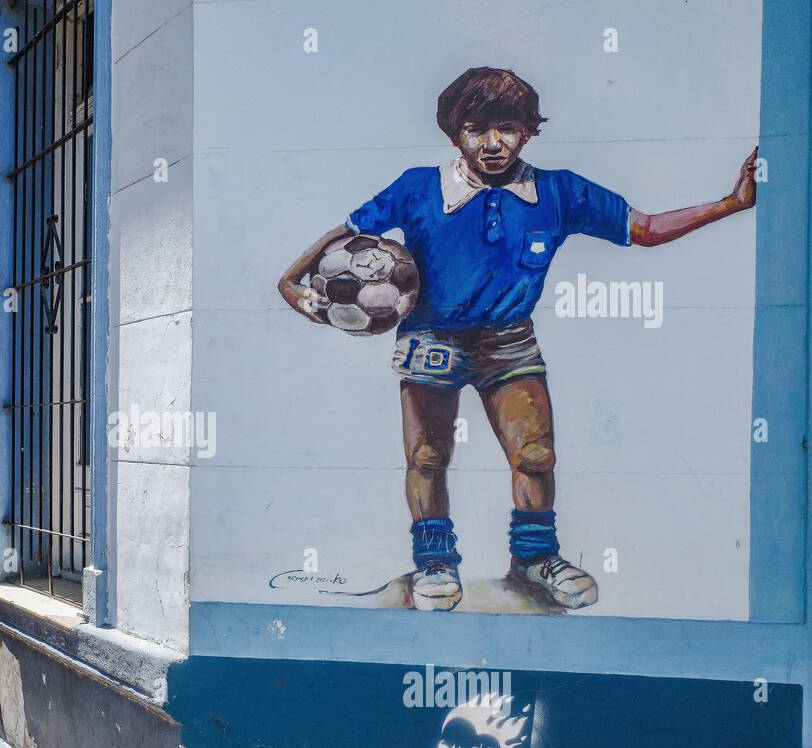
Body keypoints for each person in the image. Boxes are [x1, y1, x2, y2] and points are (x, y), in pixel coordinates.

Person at [279, 66, 758, 612]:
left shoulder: (559, 191)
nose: (491, 143)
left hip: (509, 340)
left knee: (536, 455)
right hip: (431, 337)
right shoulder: (419, 187)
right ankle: (435, 565)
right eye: (476, 130)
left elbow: (644, 229)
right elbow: (346, 233)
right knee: (428, 457)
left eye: (506, 127)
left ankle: (534, 559)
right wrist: (290, 281)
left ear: (529, 131)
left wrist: (731, 203)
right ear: (453, 133)